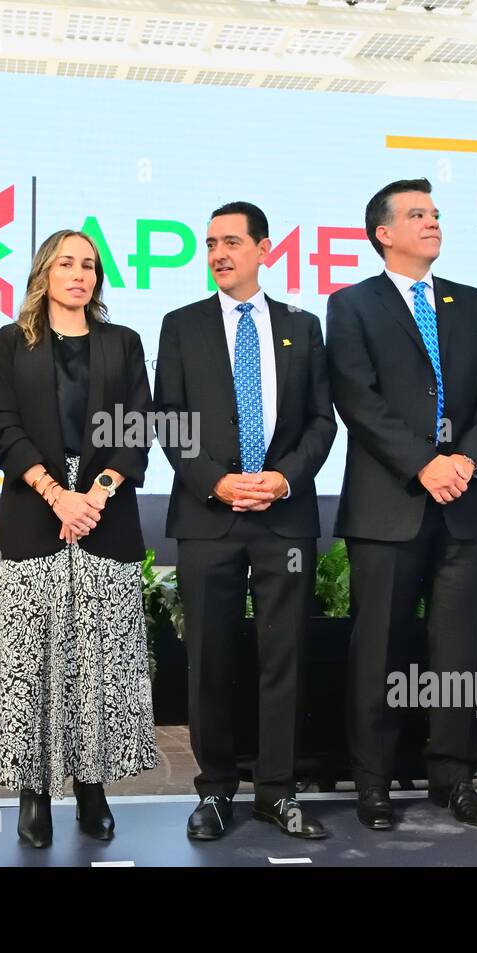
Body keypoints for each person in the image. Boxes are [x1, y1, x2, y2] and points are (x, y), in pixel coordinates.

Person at [325, 178, 477, 830]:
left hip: (465, 500)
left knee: (457, 652)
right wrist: (423, 463)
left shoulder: (475, 303)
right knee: (378, 649)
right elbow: (359, 399)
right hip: (390, 505)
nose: (432, 222)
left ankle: (452, 776)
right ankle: (373, 783)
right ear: (383, 232)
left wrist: (462, 461)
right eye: (416, 214)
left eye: (434, 213)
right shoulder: (351, 304)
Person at [0, 229, 158, 848]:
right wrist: (57, 496)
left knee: (95, 663)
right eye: (67, 263)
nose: (80, 274)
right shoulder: (12, 341)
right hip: (34, 514)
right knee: (30, 663)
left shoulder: (122, 343)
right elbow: (2, 423)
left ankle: (90, 787)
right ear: (44, 272)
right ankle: (32, 791)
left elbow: (137, 426)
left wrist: (96, 493)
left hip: (105, 517)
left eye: (91, 265)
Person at [155, 201, 336, 841]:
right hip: (209, 520)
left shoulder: (302, 327)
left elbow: (322, 421)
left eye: (231, 241)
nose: (217, 254)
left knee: (282, 658)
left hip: (284, 519)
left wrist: (284, 478)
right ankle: (215, 790)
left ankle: (277, 793)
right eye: (209, 244)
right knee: (210, 659)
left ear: (265, 250)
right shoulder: (181, 326)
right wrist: (215, 481)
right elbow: (167, 420)